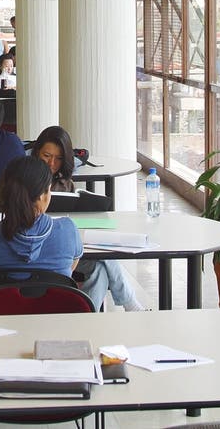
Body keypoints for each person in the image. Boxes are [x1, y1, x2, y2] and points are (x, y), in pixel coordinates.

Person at [32, 126, 147, 312]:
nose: (52, 163)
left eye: (59, 158)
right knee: (101, 263)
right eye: (47, 156)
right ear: (37, 152)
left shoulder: (64, 182)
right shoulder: (24, 178)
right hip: (37, 246)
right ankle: (125, 304)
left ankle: (85, 315)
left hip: (64, 245)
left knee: (99, 267)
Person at [0, 156, 82, 278]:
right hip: (54, 297)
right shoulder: (67, 231)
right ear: (41, 195)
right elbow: (69, 270)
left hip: (3, 297)